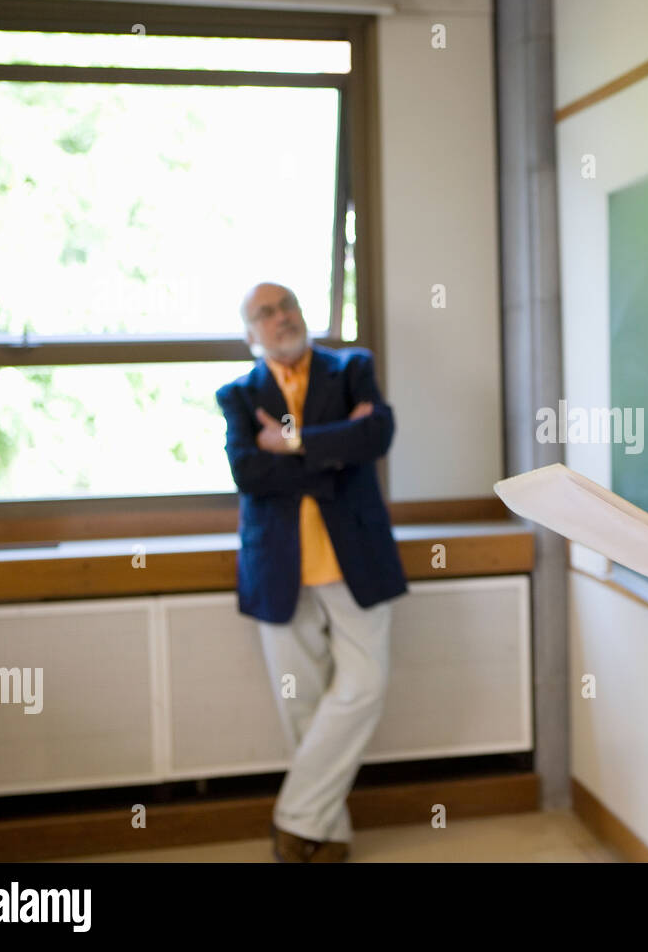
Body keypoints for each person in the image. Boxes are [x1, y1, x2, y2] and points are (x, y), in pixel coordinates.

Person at [216, 282, 407, 862]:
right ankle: (329, 834)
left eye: (287, 306)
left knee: (365, 686)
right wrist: (331, 453)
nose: (280, 318)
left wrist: (291, 442)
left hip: (354, 560)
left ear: (302, 313)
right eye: (264, 314)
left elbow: (377, 435)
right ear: (251, 333)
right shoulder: (237, 394)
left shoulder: (352, 368)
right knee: (299, 701)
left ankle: (294, 816)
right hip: (279, 567)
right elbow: (249, 473)